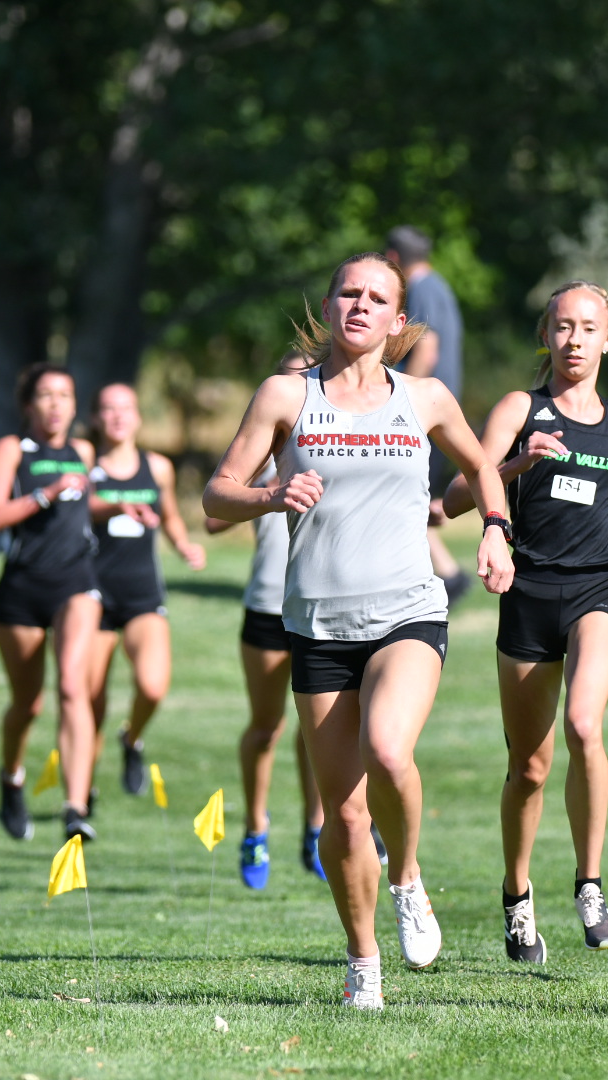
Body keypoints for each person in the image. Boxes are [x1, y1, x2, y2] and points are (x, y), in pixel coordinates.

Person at [203, 251, 515, 1010]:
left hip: (408, 609)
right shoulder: (286, 394)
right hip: (317, 622)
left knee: (388, 748)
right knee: (342, 815)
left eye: (377, 297)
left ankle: (407, 878)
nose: (361, 305)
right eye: (349, 293)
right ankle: (363, 964)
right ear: (329, 305)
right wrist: (271, 496)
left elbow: (483, 466)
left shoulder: (425, 398)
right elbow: (216, 496)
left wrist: (495, 528)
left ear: (397, 320)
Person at [441, 281, 608, 962]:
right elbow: (457, 496)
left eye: (587, 328)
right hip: (527, 594)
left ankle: (590, 885)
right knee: (529, 767)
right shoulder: (520, 409)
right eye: (561, 326)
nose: (574, 339)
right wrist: (520, 460)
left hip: (597, 591)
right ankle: (517, 897)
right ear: (546, 336)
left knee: (584, 725)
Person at [203, 350, 327, 890]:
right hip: (267, 604)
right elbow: (212, 519)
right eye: (289, 378)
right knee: (266, 726)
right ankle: (255, 827)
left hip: (322, 604)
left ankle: (317, 828)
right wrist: (270, 490)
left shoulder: (336, 442)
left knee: (320, 729)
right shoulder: (260, 449)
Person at [0, 363, 102, 844]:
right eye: (46, 395)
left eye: (64, 395)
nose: (56, 405)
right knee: (27, 705)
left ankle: (75, 807)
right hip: (22, 587)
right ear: (29, 404)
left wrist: (120, 506)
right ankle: (11, 778)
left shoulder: (83, 451)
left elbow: (86, 506)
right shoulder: (12, 449)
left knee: (71, 685)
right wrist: (45, 494)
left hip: (77, 582)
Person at [84, 383, 206, 802]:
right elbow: (76, 509)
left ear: (138, 417)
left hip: (141, 594)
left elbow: (169, 516)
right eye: (108, 408)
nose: (118, 416)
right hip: (91, 596)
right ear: (96, 417)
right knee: (90, 702)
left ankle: (131, 738)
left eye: (126, 408)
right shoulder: (85, 463)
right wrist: (115, 506)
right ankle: (84, 789)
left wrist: (183, 544)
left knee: (152, 687)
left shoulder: (157, 468)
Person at [385, 225, 471, 603]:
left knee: (401, 497)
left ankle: (446, 576)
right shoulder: (440, 286)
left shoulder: (418, 289)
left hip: (421, 414)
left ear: (393, 258)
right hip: (439, 410)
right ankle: (447, 574)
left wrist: (398, 402)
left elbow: (426, 348)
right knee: (408, 498)